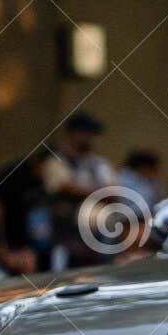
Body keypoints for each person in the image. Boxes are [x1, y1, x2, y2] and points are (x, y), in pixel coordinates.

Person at [43, 112, 116, 268]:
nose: (88, 137)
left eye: (90, 133)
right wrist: (97, 193)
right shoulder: (57, 162)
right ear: (72, 134)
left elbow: (114, 192)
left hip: (100, 229)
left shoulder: (100, 164)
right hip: (67, 229)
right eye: (83, 132)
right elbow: (64, 188)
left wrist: (89, 192)